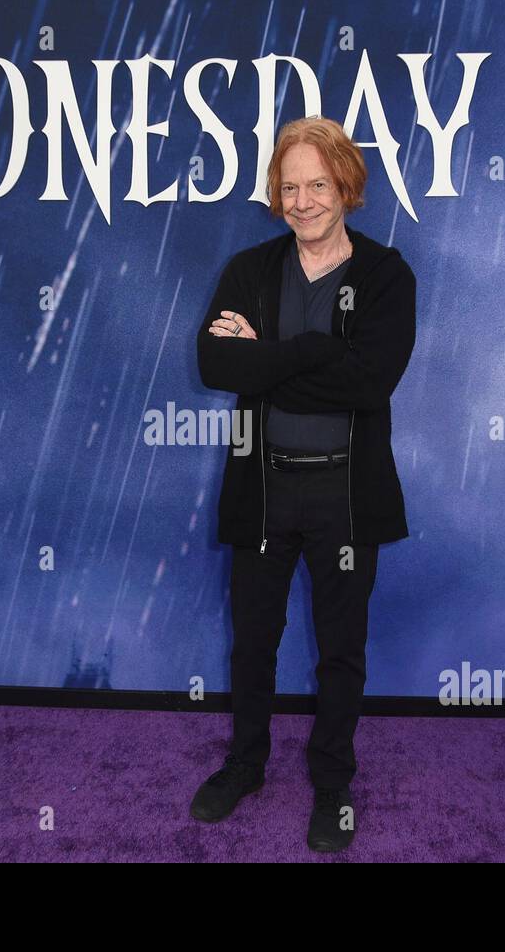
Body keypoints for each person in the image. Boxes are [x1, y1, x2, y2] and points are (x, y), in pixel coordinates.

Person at [190, 115, 417, 852]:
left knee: (340, 648)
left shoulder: (386, 275)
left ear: (346, 186)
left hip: (347, 499)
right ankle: (245, 763)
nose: (304, 199)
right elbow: (216, 365)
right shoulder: (250, 270)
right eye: (290, 186)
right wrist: (319, 355)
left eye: (318, 184)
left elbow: (369, 381)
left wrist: (277, 358)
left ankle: (332, 781)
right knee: (253, 639)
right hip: (264, 490)